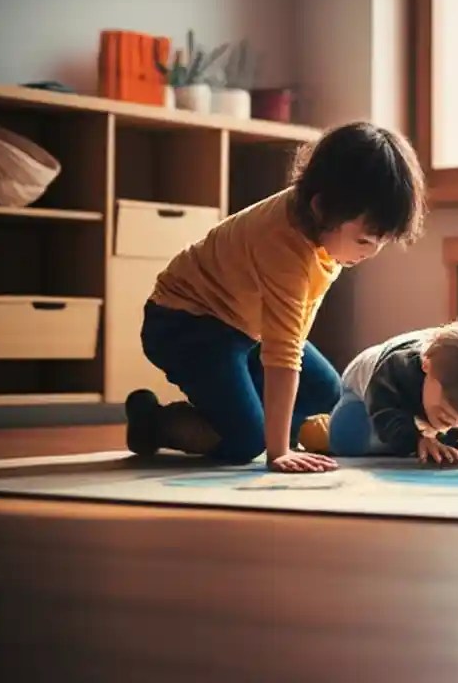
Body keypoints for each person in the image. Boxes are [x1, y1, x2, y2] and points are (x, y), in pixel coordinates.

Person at [124, 121, 426, 474]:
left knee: (328, 395)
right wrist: (278, 451)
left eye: (381, 242)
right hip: (187, 322)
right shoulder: (284, 246)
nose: (371, 253)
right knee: (247, 442)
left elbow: (293, 334)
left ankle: (240, 411)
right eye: (364, 240)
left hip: (246, 325)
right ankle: (152, 421)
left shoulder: (327, 232)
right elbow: (283, 354)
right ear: (322, 207)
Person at [297, 316, 458, 465]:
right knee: (349, 439)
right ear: (427, 366)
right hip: (364, 394)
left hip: (418, 397)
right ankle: (317, 427)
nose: (453, 418)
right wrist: (415, 439)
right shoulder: (396, 369)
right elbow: (384, 410)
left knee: (448, 438)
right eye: (446, 409)